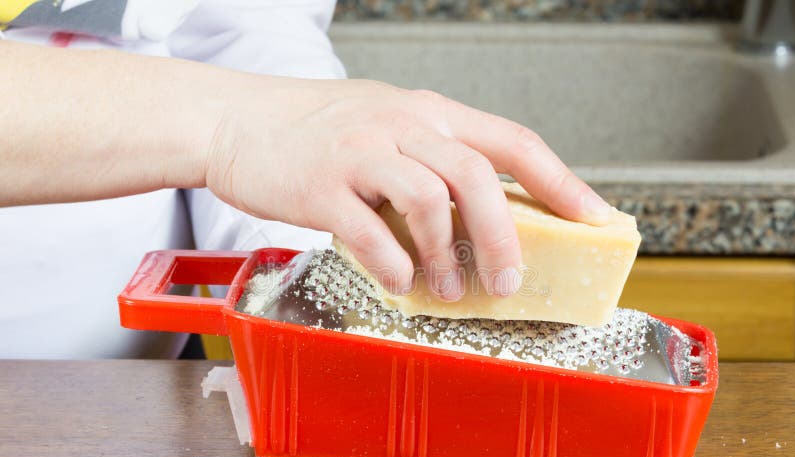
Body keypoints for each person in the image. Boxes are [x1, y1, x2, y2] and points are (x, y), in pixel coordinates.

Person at [0, 0, 613, 358]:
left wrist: (306, 272)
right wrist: (232, 125)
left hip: (125, 405)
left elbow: (237, 24)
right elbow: (241, 115)